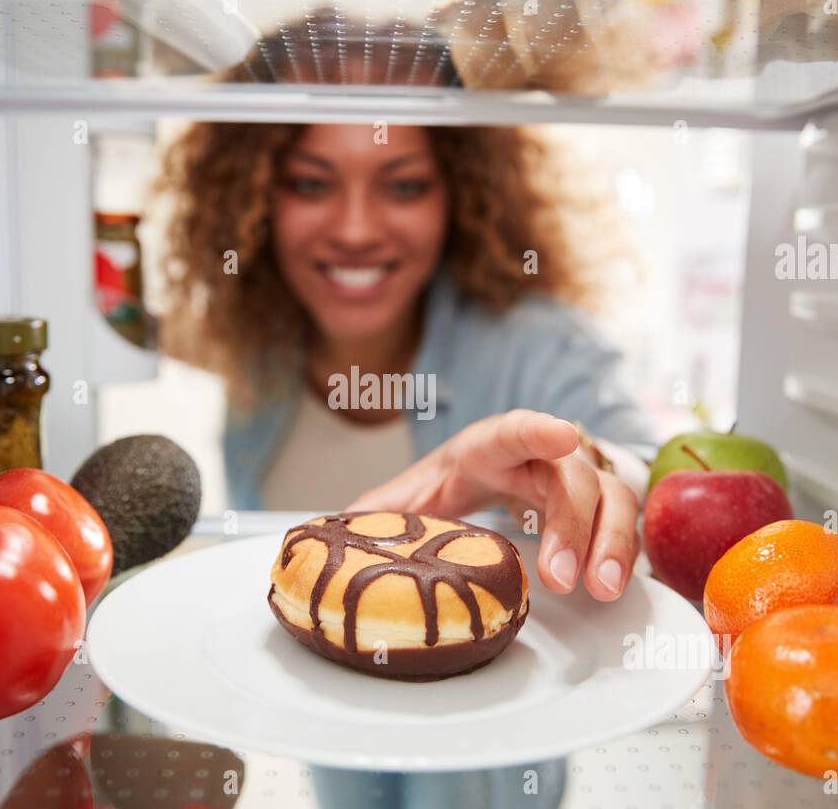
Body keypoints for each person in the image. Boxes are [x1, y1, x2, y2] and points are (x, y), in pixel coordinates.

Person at [154, 52, 656, 606]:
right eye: (310, 184)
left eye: (404, 187)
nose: (355, 230)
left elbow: (656, 470)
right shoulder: (252, 330)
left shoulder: (534, 342)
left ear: (459, 196)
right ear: (255, 199)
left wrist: (585, 468)